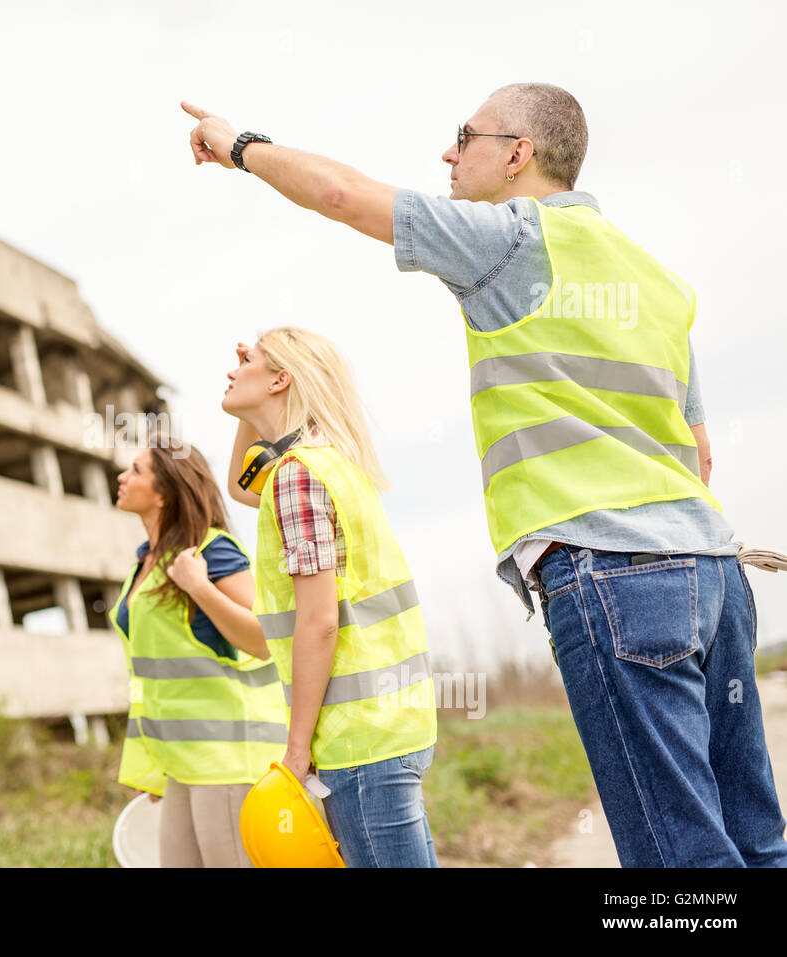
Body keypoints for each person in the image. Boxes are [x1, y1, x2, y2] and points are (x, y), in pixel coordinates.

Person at [182, 83, 787, 867]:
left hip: (613, 573)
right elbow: (698, 453)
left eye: (463, 136)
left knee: (683, 863)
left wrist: (238, 147)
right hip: (717, 575)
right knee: (756, 842)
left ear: (517, 154)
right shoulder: (658, 282)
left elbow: (340, 194)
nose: (447, 153)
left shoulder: (508, 239)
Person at [223, 328, 439, 868]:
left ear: (280, 378)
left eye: (246, 361)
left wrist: (297, 751)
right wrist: (254, 408)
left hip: (358, 742)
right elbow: (237, 487)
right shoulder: (327, 462)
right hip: (392, 726)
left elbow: (318, 623)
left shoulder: (297, 477)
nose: (231, 369)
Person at [109, 439, 286, 867]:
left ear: (165, 491)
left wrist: (199, 586)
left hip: (228, 759)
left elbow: (264, 639)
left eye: (135, 470)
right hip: (181, 762)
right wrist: (152, 766)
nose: (122, 477)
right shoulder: (146, 562)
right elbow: (154, 679)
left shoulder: (211, 551)